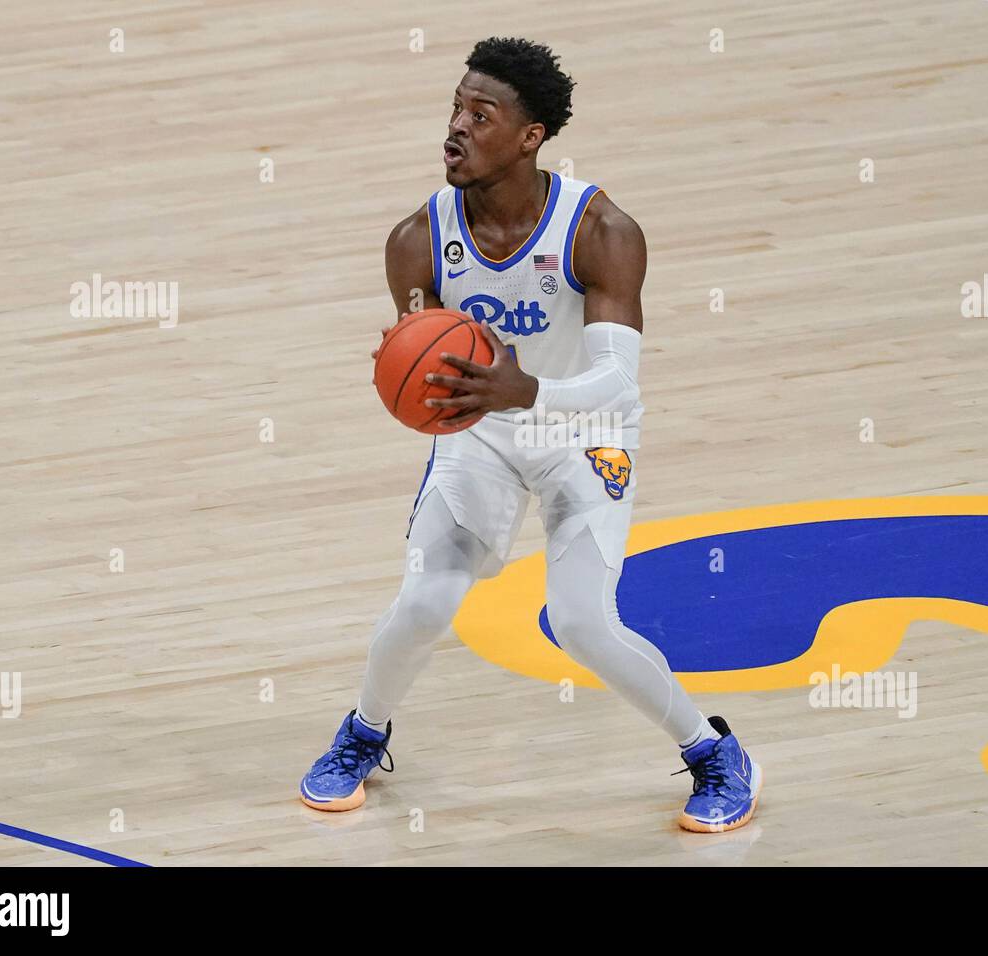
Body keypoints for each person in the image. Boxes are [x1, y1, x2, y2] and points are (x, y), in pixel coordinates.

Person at [300, 36, 762, 832]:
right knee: (424, 601)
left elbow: (619, 381)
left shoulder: (602, 230)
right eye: (454, 107)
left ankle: (715, 752)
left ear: (530, 135)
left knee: (582, 622)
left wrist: (530, 389)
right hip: (484, 429)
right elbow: (426, 368)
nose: (456, 127)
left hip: (587, 428)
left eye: (481, 115)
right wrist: (416, 382)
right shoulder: (417, 240)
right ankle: (364, 733)